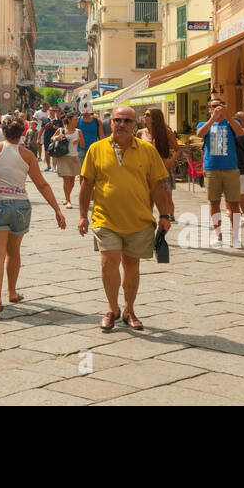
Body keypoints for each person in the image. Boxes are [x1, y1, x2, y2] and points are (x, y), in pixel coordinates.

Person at [78, 105, 174, 332]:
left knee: (132, 265)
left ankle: (129, 309)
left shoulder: (147, 150)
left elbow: (157, 186)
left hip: (139, 219)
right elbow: (86, 184)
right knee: (108, 262)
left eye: (127, 121)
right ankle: (112, 309)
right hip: (105, 219)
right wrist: (83, 215)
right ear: (110, 123)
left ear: (135, 125)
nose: (121, 124)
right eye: (117, 120)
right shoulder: (96, 149)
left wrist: (164, 215)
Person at [0, 119, 66, 318]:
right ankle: (12, 292)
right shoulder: (27, 155)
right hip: (21, 207)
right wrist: (57, 210)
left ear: (2, 131)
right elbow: (42, 184)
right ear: (22, 133)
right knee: (14, 252)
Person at [196, 97, 244, 247]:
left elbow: (241, 133)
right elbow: (200, 134)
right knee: (214, 203)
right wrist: (213, 119)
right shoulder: (204, 124)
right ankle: (219, 236)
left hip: (230, 168)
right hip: (212, 168)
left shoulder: (231, 123)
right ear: (210, 109)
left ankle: (235, 237)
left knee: (234, 203)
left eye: (220, 105)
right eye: (214, 106)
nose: (217, 108)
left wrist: (228, 116)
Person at [138, 108, 181, 192]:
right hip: (146, 171)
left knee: (166, 203)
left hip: (163, 169)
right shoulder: (140, 133)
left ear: (155, 118)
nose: (144, 116)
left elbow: (178, 150)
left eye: (148, 115)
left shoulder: (166, 132)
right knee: (147, 203)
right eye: (144, 114)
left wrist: (170, 162)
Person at [54, 112, 83, 207]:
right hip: (63, 157)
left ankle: (66, 197)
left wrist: (78, 140)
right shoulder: (61, 130)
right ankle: (68, 200)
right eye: (75, 119)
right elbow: (51, 139)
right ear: (69, 120)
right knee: (66, 179)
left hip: (74, 157)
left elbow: (83, 145)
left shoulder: (78, 131)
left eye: (77, 119)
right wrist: (57, 137)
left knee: (72, 180)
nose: (77, 121)